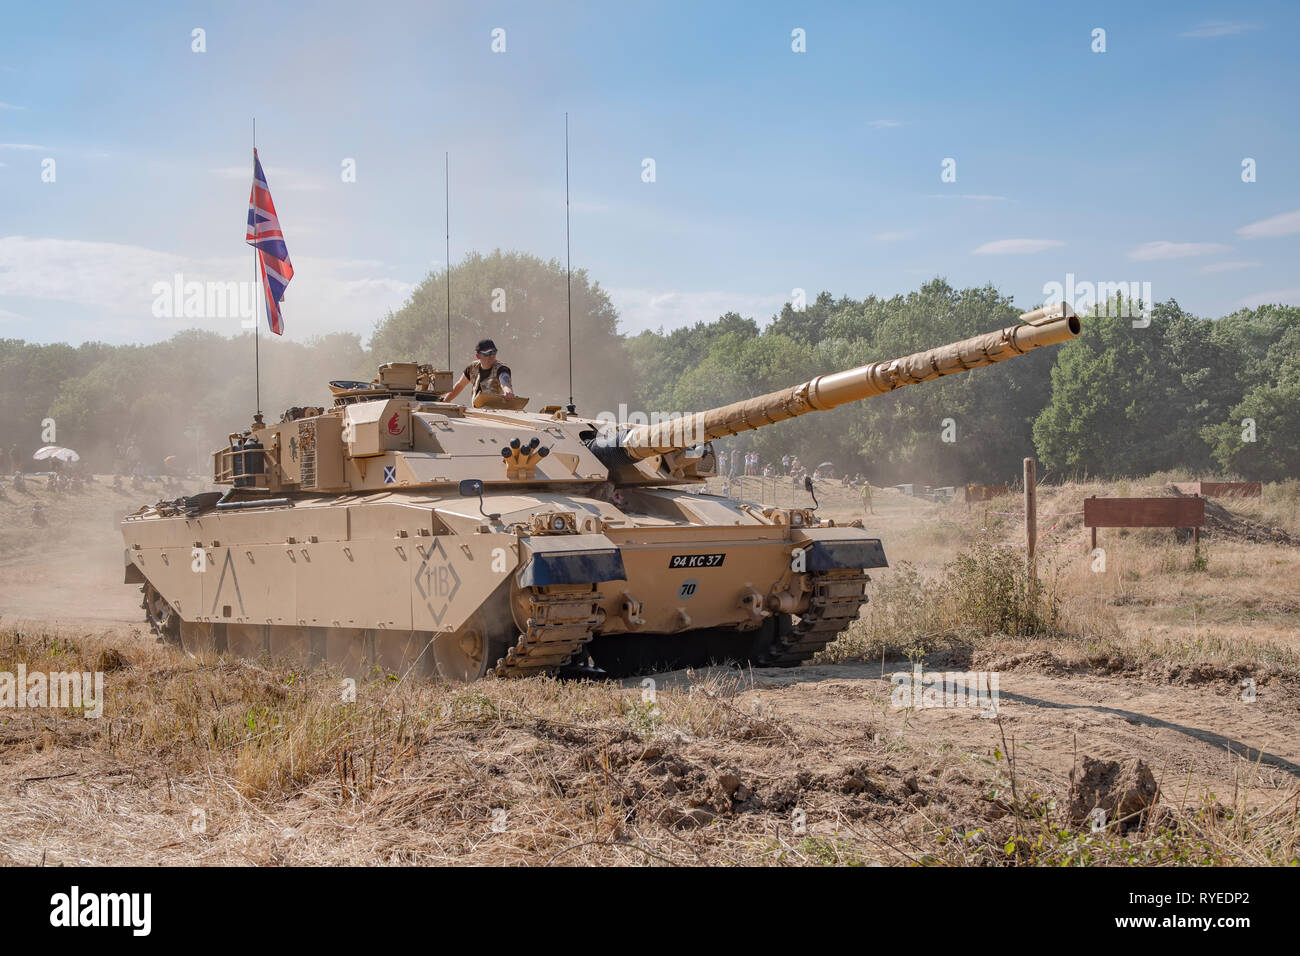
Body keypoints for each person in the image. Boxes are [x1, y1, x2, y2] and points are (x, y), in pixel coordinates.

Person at [444, 338, 515, 404]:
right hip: (478, 412)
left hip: (496, 411)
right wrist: (445, 401)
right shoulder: (472, 368)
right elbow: (460, 385)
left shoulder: (501, 368)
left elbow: (505, 382)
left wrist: (508, 390)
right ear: (478, 356)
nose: (491, 356)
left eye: (494, 352)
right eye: (487, 353)